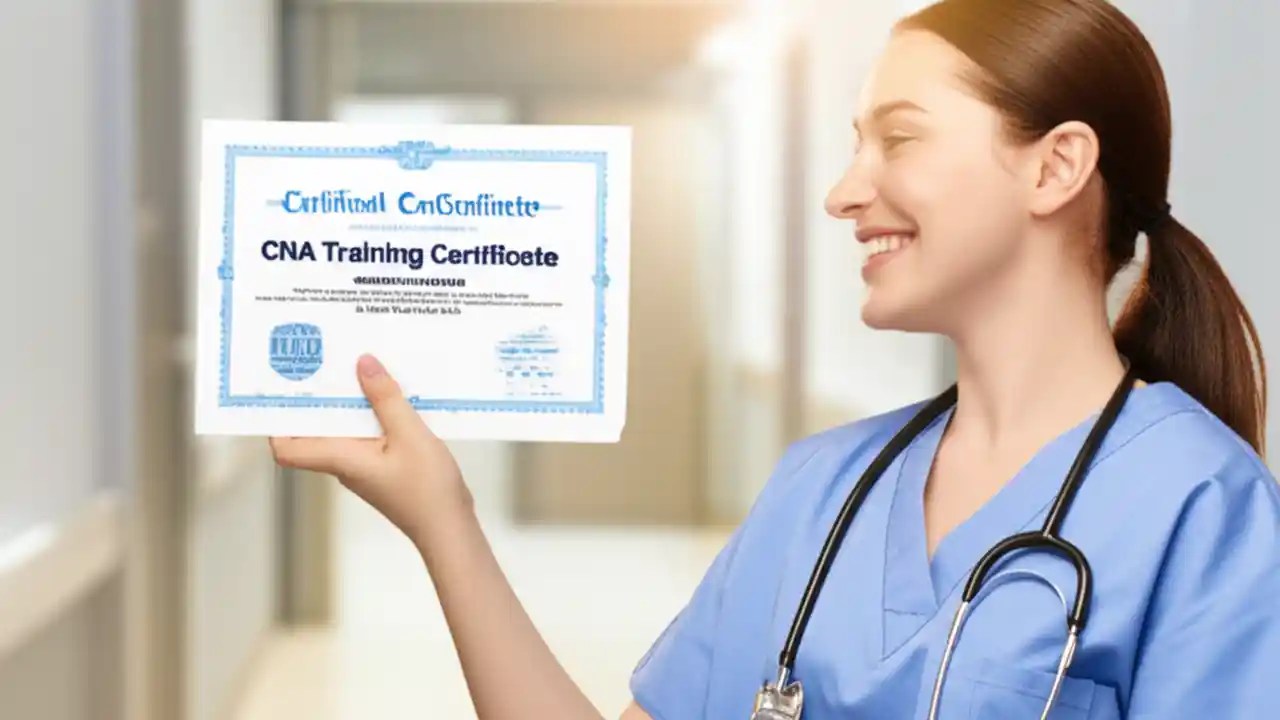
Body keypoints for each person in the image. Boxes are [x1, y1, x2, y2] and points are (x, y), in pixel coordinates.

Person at [270, 0, 1280, 717]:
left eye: (899, 139)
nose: (843, 192)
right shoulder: (822, 488)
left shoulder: (1200, 509)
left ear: (1055, 165)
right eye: (852, 146)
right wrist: (444, 522)